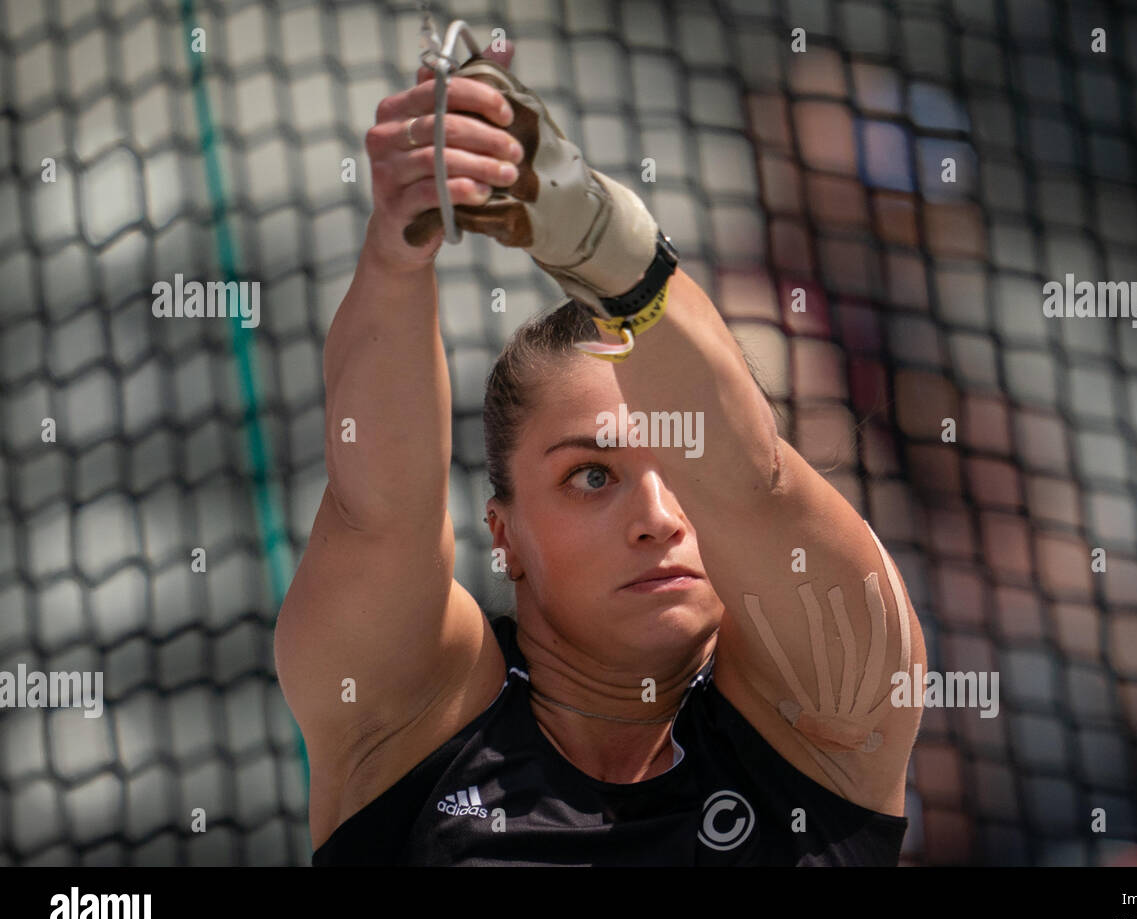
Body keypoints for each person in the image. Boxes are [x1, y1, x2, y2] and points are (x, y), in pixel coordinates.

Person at [275, 40, 926, 866]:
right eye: (592, 475)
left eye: (684, 470)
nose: (658, 518)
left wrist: (605, 241)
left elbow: (755, 482)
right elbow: (379, 512)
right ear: (502, 532)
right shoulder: (409, 721)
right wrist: (397, 256)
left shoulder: (825, 717)